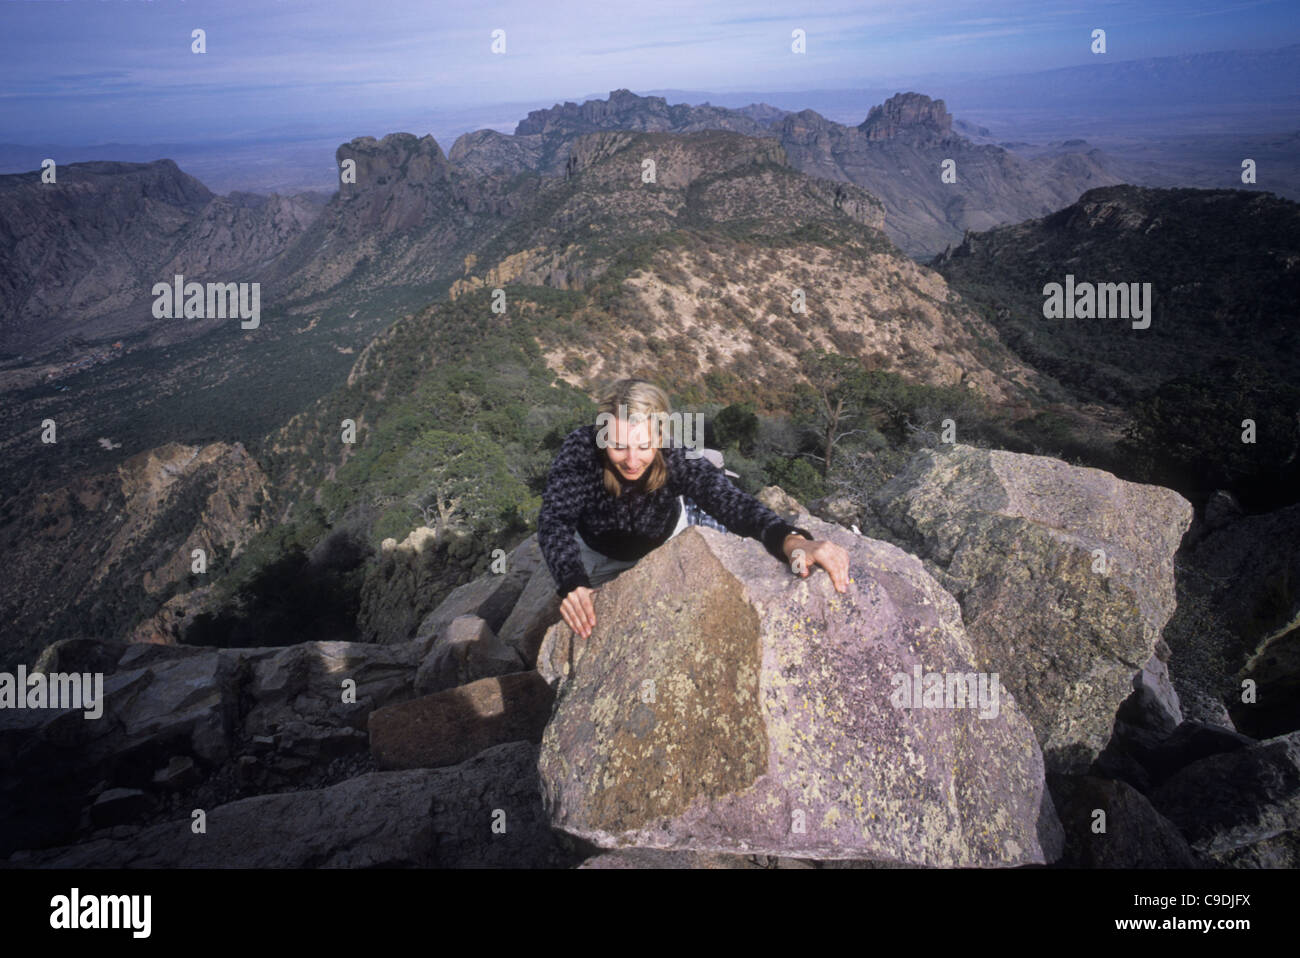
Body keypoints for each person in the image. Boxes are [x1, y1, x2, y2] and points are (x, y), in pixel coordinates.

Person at [537, 378, 851, 640]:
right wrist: (573, 582)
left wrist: (793, 541)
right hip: (599, 552)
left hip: (667, 540)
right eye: (618, 446)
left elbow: (730, 503)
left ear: (660, 436)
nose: (631, 461)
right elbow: (555, 519)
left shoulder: (674, 455)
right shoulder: (581, 449)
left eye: (644, 446)